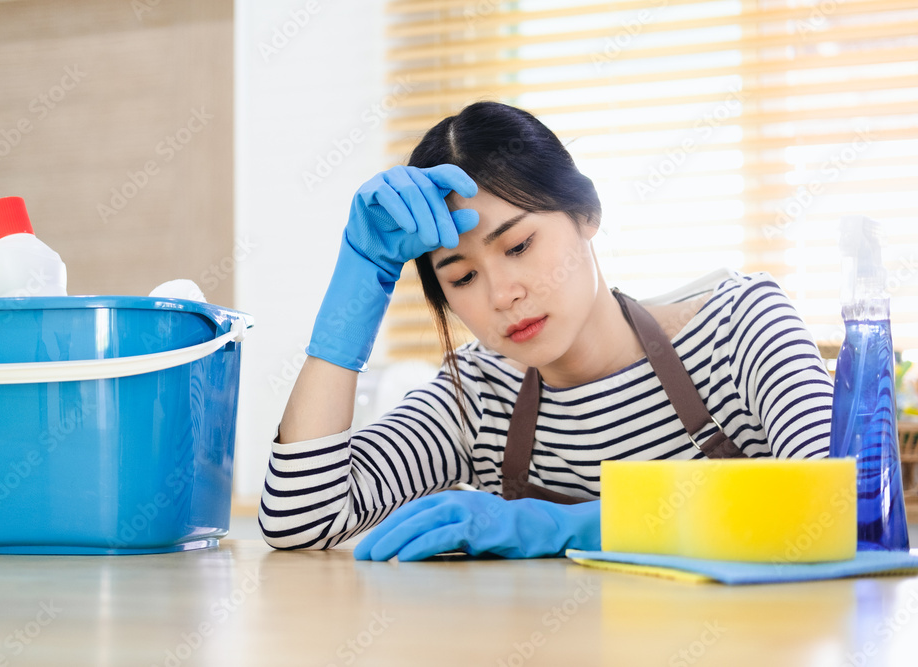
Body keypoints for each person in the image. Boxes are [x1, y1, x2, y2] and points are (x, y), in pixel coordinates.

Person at [258, 101, 833, 561]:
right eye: (462, 278)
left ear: (586, 214)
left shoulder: (737, 331)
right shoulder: (480, 396)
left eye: (519, 245)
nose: (502, 294)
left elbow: (838, 506)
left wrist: (569, 525)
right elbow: (300, 519)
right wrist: (359, 286)